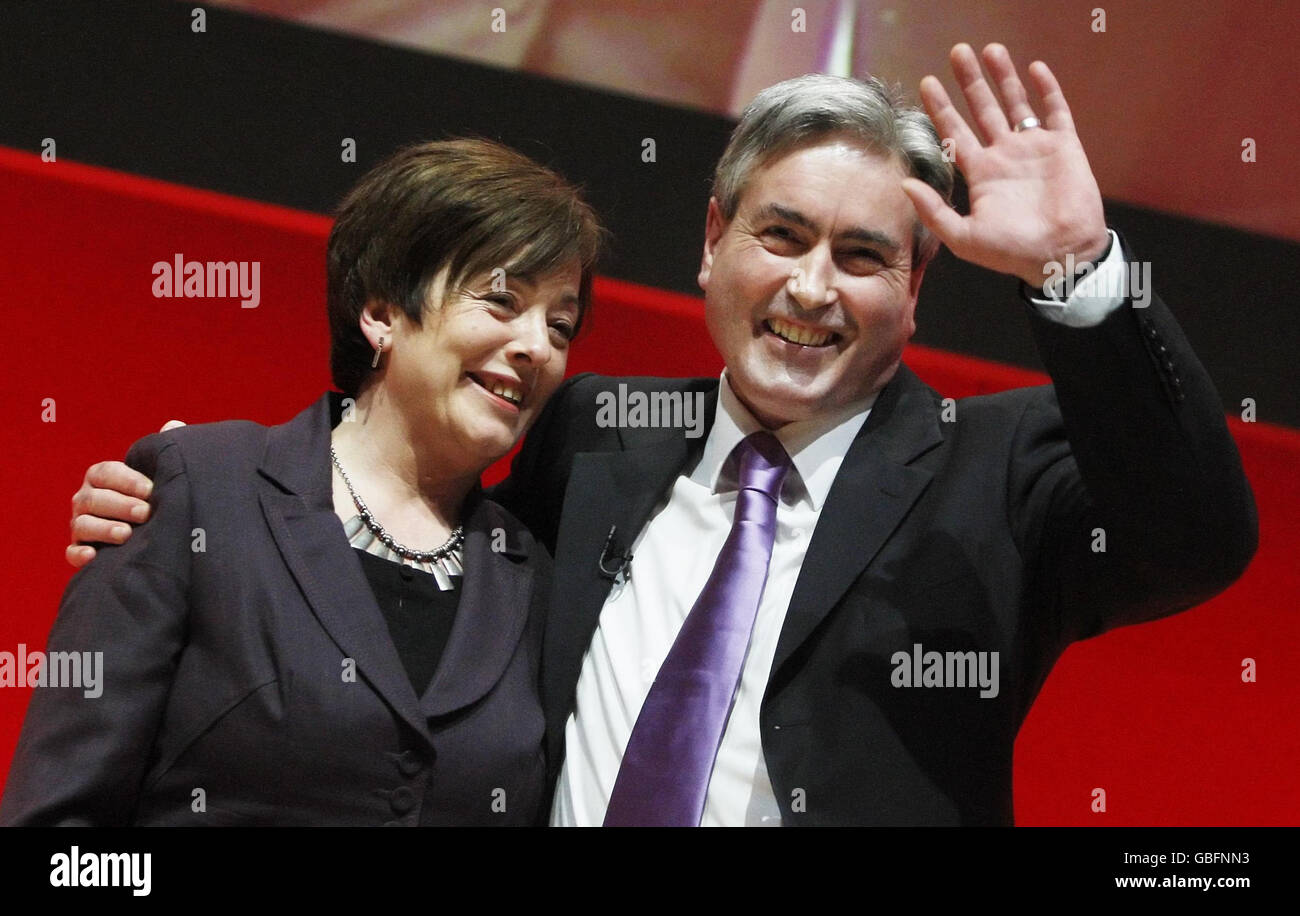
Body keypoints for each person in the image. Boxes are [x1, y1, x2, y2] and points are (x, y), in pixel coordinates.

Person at [61, 45, 1257, 826]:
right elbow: (409, 556)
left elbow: (1197, 537)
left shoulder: (1002, 465)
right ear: (711, 240)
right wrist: (213, 496)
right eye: (780, 236)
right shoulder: (596, 434)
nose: (810, 288)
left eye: (861, 256)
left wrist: (1078, 273)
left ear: (916, 284)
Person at [3, 138, 603, 825]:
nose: (536, 347)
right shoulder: (201, 491)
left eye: (560, 325)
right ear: (381, 313)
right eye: (500, 300)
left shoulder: (536, 586)